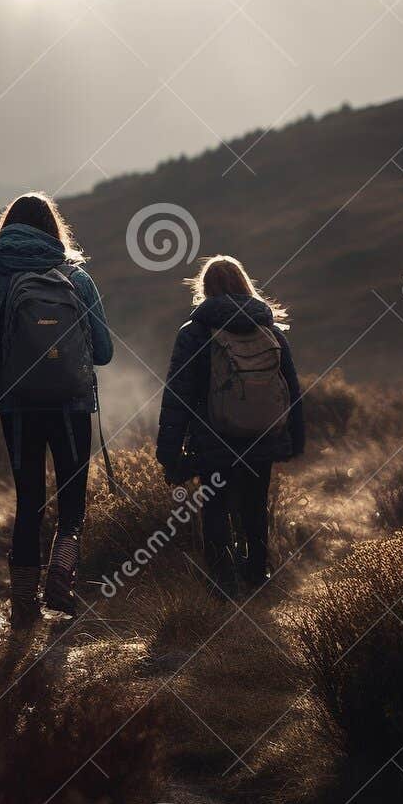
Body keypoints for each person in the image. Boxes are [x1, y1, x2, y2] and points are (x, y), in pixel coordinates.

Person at [0, 193, 112, 627]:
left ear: (7, 229)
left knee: (28, 502)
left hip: (18, 409)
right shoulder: (77, 279)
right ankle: (62, 577)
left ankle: (23, 606)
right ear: (54, 229)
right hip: (72, 406)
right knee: (73, 504)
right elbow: (103, 351)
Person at [154, 255, 304, 597]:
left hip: (213, 438)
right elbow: (291, 388)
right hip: (262, 435)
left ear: (205, 289)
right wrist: (295, 439)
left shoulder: (193, 333)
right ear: (244, 284)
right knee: (255, 504)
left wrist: (169, 452)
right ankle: (256, 575)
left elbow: (178, 395)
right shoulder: (270, 330)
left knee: (215, 506)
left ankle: (224, 582)